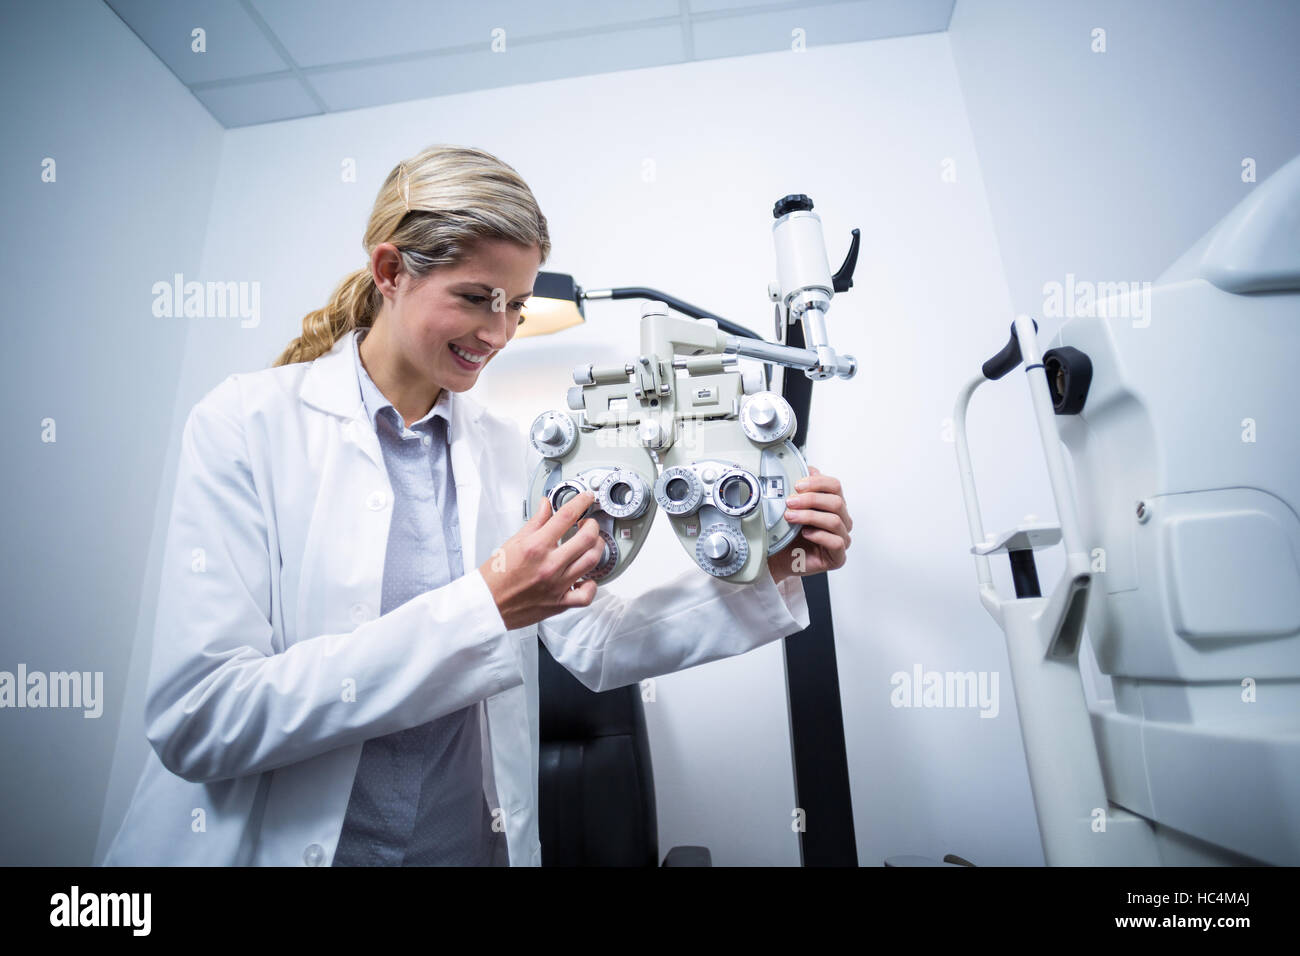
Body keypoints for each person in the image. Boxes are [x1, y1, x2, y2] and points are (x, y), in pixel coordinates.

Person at [103, 144, 853, 866]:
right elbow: (201, 718)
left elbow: (597, 642)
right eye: (476, 298)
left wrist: (771, 565)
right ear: (390, 271)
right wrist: (484, 607)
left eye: (518, 308)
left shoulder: (508, 453)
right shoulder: (246, 424)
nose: (497, 333)